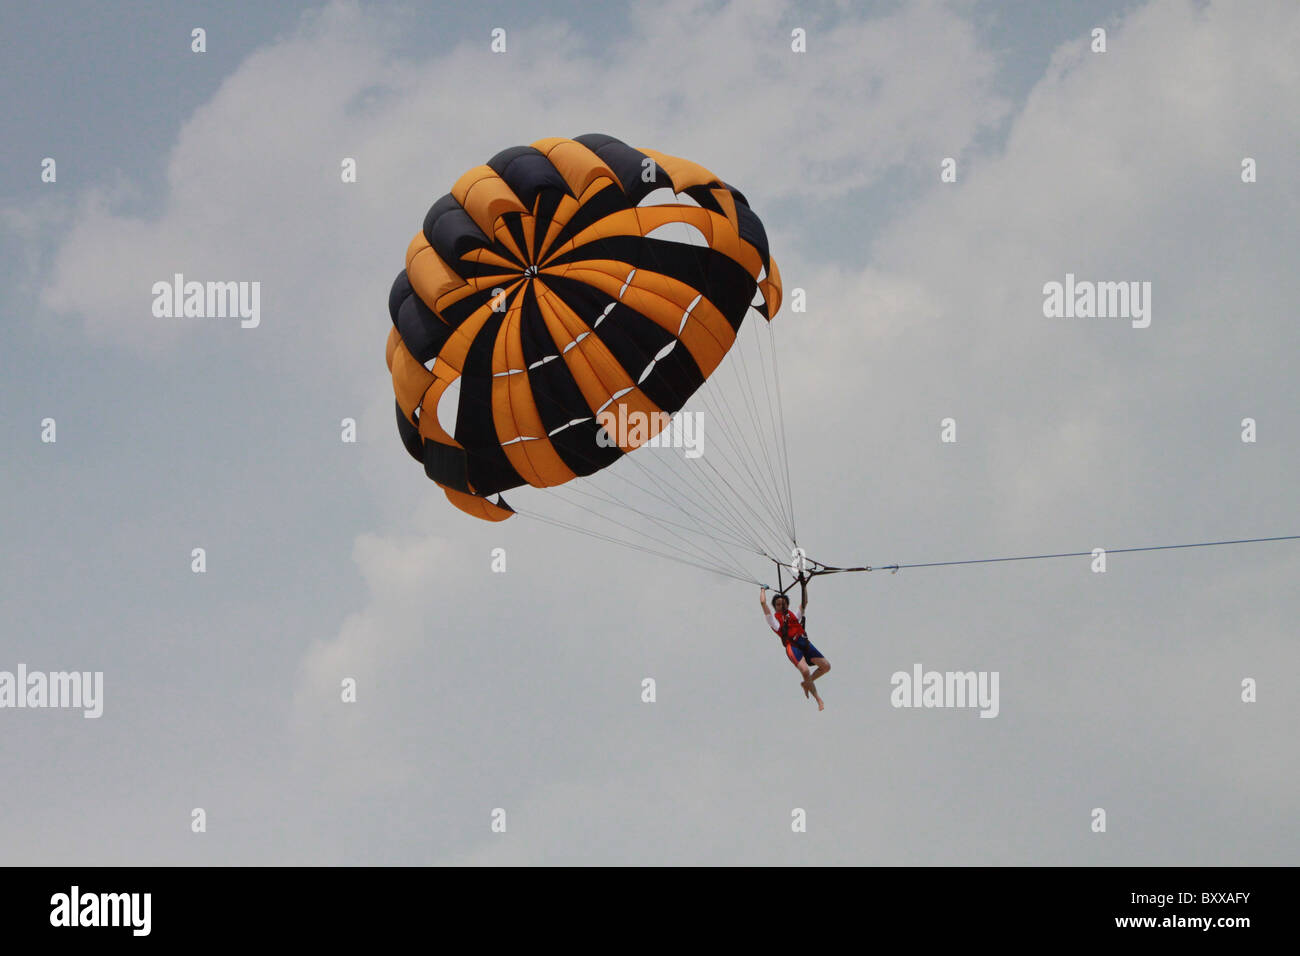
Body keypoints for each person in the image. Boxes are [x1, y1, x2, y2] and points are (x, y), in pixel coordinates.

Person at [760, 576, 830, 710]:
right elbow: (763, 604)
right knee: (805, 670)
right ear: (775, 607)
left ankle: (806, 683)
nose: (782, 606)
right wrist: (762, 590)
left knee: (826, 666)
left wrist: (804, 585)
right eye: (779, 605)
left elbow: (804, 603)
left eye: (784, 604)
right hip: (792, 647)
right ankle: (818, 699)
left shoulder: (794, 616)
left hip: (805, 643)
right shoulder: (774, 621)